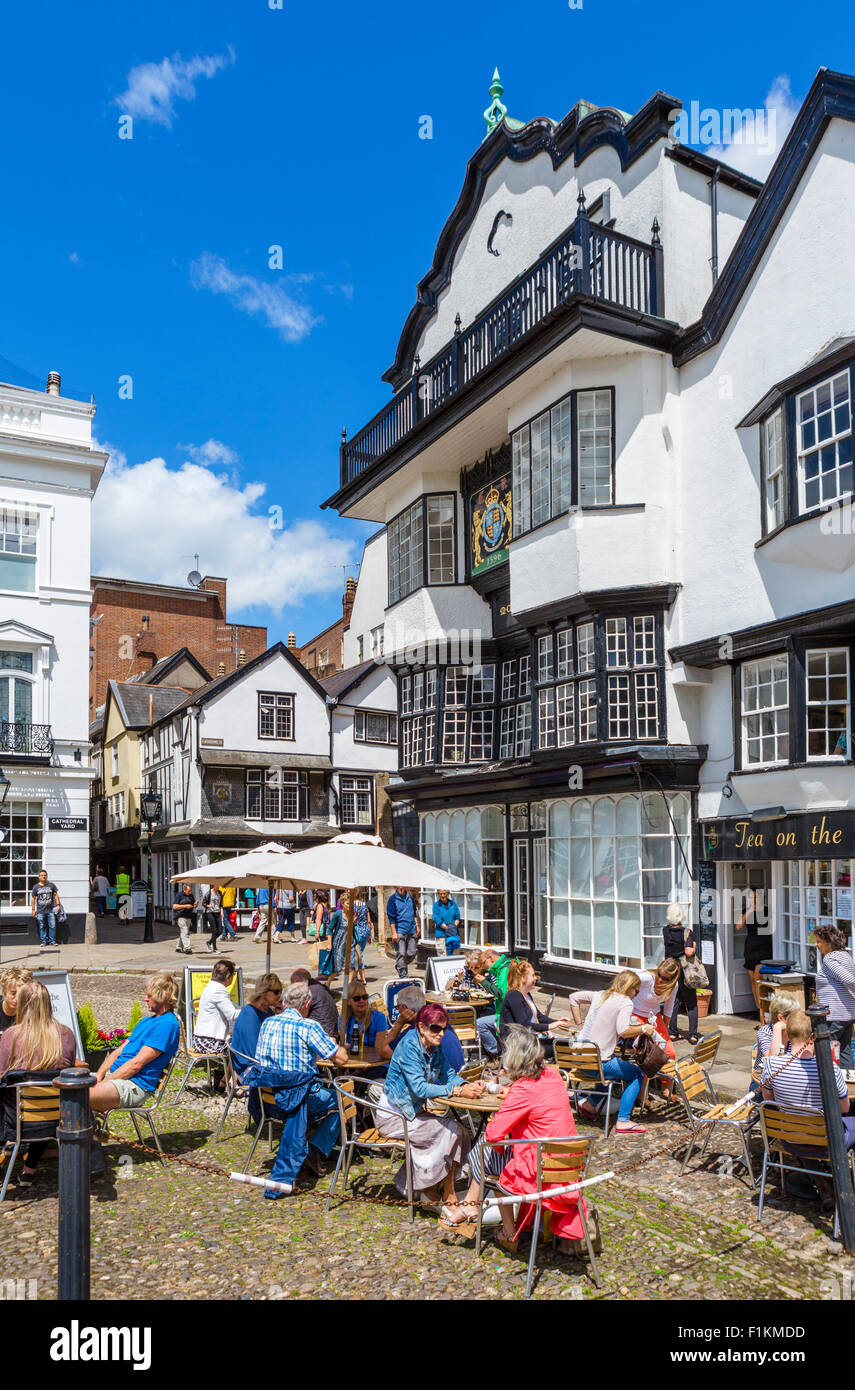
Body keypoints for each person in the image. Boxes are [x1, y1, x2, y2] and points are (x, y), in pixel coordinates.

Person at [448, 1025, 595, 1251]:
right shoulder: (553, 1077)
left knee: (485, 1150)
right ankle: (472, 1205)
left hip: (541, 1174)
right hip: (569, 1167)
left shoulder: (522, 1090)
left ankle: (498, 1223)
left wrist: (512, 1098)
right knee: (492, 1152)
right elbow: (538, 1104)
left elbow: (494, 1133)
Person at [376, 1002, 482, 1216]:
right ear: (421, 1027)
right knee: (451, 1131)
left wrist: (465, 1085)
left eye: (444, 1028)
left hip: (414, 1112)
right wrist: (457, 1092)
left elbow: (448, 1074)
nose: (441, 1033)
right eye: (435, 1028)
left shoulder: (434, 1046)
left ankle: (432, 1189)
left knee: (460, 1132)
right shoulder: (408, 1046)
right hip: (395, 1115)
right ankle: (445, 1193)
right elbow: (419, 1087)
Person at [254, 981, 348, 1193]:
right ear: (307, 1004)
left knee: (324, 1095)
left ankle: (313, 1149)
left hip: (269, 1099)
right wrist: (334, 1042)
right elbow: (341, 1059)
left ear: (285, 1002)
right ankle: (315, 1150)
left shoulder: (267, 1023)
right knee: (342, 1100)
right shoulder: (309, 1026)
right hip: (297, 1099)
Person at [0, 979, 85, 1186]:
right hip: (54, 1118)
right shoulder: (66, 1034)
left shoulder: (12, 1035)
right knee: (45, 1092)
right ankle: (29, 1170)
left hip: (17, 1121)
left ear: (22, 1004)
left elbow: (1, 1074)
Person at [568, 971, 654, 1136]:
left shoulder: (599, 995)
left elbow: (573, 997)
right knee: (637, 1073)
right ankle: (623, 1120)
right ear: (630, 988)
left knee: (613, 1062)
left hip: (579, 1060)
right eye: (636, 990)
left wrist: (579, 1023)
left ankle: (590, 1105)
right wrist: (644, 1028)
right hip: (598, 1064)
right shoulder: (625, 1003)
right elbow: (623, 1030)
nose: (636, 995)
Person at [761, 1008, 855, 1151]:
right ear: (813, 1036)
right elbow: (844, 1108)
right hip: (825, 1141)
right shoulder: (829, 1069)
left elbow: (769, 1099)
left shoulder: (771, 1065)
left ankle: (813, 1171)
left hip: (789, 1139)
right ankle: (821, 1172)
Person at [90, 974, 181, 1114]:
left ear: (164, 996)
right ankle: (89, 1131)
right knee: (62, 1085)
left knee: (77, 1094)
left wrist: (103, 1084)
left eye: (150, 996)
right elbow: (117, 1052)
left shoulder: (166, 1025)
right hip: (116, 1077)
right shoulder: (146, 1021)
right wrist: (99, 1076)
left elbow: (136, 1065)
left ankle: (84, 1132)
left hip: (134, 1084)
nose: (145, 999)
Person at [384, 985, 464, 1072]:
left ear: (404, 1008)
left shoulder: (416, 1029)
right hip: (460, 1078)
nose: (398, 1010)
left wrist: (399, 1023)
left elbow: (384, 1051)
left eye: (397, 1007)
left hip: (439, 1083)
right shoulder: (443, 1023)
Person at [499, 959, 572, 1046]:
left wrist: (557, 1022)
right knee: (563, 1047)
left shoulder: (526, 994)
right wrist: (550, 1026)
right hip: (517, 1046)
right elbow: (524, 1025)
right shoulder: (514, 996)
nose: (536, 978)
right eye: (533, 976)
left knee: (567, 1043)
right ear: (523, 978)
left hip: (528, 1040)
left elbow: (539, 1016)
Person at [814, 923, 855, 1068]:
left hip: (834, 1015)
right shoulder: (846, 956)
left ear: (829, 942)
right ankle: (848, 1085)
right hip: (847, 1014)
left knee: (824, 1050)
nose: (816, 945)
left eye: (819, 941)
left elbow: (850, 980)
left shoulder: (830, 959)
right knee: (844, 1050)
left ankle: (829, 1088)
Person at [231, 973, 283, 1078]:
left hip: (261, 1064)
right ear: (264, 992)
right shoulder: (249, 1015)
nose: (279, 996)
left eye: (281, 991)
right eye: (276, 992)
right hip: (249, 1069)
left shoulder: (268, 1011)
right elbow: (254, 1051)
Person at [662, 903, 700, 1043]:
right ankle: (693, 1034)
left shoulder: (665, 930)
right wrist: (694, 945)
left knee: (674, 1000)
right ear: (681, 916)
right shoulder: (687, 932)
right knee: (691, 1002)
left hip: (670, 968)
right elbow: (689, 951)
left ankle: (672, 1032)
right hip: (684, 970)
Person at [631, 958, 681, 1061]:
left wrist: (664, 1031)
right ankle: (644, 1076)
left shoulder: (674, 986)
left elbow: (668, 1008)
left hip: (653, 1017)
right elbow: (625, 979)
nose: (660, 979)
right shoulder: (647, 978)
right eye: (659, 974)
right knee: (646, 1052)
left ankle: (664, 1077)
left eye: (665, 978)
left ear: (672, 980)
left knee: (669, 1054)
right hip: (635, 1014)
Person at [735, 887, 774, 1015]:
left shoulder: (768, 910)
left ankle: (764, 1011)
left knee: (759, 979)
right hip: (751, 947)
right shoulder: (747, 911)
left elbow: (773, 928)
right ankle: (759, 1011)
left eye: (756, 897)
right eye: (752, 897)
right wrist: (751, 910)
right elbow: (739, 926)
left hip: (764, 947)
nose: (754, 899)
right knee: (753, 981)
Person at [194, 959, 239, 1056]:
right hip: (210, 1041)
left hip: (201, 1040)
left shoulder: (210, 986)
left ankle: (227, 1071)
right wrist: (249, 1010)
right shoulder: (219, 989)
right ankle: (233, 1071)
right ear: (229, 977)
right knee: (242, 1045)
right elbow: (232, 1015)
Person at [290, 968, 340, 1039]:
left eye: (292, 984)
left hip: (322, 1034)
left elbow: (296, 1014)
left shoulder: (309, 992)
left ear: (298, 982)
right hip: (331, 1031)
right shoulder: (320, 987)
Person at [387, 887, 419, 978]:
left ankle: (399, 965)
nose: (400, 887)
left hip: (411, 929)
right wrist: (394, 933)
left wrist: (417, 925)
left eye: (402, 886)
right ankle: (403, 976)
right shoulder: (392, 899)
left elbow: (414, 912)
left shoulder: (410, 897)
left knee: (412, 953)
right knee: (401, 953)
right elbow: (391, 918)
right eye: (398, 886)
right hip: (399, 930)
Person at [31, 869, 61, 951]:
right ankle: (44, 941)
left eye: (45, 875)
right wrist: (33, 910)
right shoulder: (36, 887)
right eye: (42, 875)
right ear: (39, 877)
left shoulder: (51, 885)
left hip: (50, 910)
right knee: (42, 926)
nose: (44, 876)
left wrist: (58, 905)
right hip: (40, 911)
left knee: (53, 926)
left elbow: (56, 895)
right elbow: (33, 899)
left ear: (46, 876)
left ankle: (52, 941)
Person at [0, 967, 34, 1037]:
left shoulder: (31, 1012)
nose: (17, 999)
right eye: (13, 993)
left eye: (21, 994)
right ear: (4, 991)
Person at [432, 889, 462, 956]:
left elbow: (457, 917)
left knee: (455, 955)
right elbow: (436, 919)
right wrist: (447, 928)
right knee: (442, 956)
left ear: (447, 893)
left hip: (453, 934)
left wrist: (453, 927)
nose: (442, 895)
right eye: (440, 894)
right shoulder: (436, 905)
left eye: (444, 893)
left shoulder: (453, 903)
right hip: (441, 935)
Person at [172, 882, 197, 955]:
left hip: (188, 916)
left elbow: (192, 905)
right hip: (180, 916)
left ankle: (179, 947)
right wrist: (185, 906)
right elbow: (174, 906)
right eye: (189, 891)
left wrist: (195, 905)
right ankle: (187, 948)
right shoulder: (179, 895)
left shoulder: (191, 896)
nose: (190, 892)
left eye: (191, 890)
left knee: (183, 932)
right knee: (185, 931)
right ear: (184, 890)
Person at [312, 891, 333, 978]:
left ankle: (323, 972)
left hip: (323, 930)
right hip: (328, 929)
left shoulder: (320, 906)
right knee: (326, 950)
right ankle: (326, 970)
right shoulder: (325, 905)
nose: (313, 897)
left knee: (322, 951)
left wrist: (316, 932)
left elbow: (319, 919)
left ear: (318, 897)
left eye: (315, 896)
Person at [202, 884, 224, 954]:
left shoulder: (220, 893)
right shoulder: (209, 893)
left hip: (217, 912)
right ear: (213, 885)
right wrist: (209, 906)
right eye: (217, 885)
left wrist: (222, 912)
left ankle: (209, 942)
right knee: (214, 930)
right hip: (210, 913)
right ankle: (215, 949)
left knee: (220, 930)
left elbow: (221, 904)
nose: (218, 886)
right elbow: (203, 903)